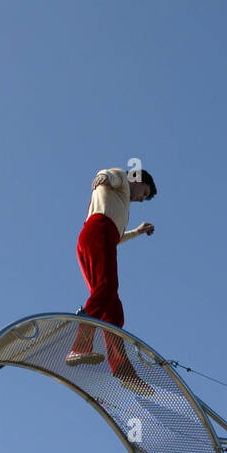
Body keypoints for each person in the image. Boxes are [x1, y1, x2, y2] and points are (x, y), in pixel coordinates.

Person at [66, 166, 157, 393]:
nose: (141, 199)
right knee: (107, 288)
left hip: (97, 236)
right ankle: (80, 346)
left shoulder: (119, 202)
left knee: (113, 310)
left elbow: (114, 237)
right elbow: (110, 174)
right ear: (137, 179)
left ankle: (123, 372)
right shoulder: (123, 180)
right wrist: (102, 177)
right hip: (97, 232)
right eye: (144, 193)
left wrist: (135, 231)